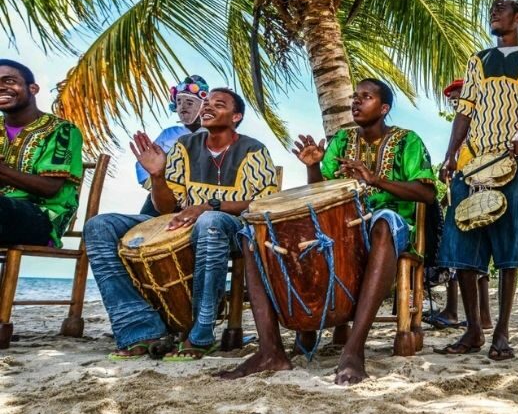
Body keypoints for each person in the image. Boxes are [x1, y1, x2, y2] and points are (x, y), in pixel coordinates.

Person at [221, 79, 436, 384]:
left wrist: (375, 181)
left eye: (366, 97)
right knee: (251, 235)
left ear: (384, 108)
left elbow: (427, 194)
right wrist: (313, 167)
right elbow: (321, 195)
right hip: (339, 230)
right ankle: (271, 351)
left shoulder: (407, 141)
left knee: (384, 220)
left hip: (391, 228)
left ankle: (353, 350)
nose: (356, 102)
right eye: (354, 97)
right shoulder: (341, 140)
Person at [84, 88, 278, 360]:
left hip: (234, 229)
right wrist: (158, 176)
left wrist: (208, 206)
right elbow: (164, 209)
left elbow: (262, 203)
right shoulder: (184, 146)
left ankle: (201, 335)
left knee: (210, 222)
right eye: (206, 103)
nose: (207, 107)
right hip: (183, 224)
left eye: (218, 104)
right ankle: (139, 330)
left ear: (237, 116)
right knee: (99, 226)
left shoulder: (253, 149)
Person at [436, 0, 518, 361]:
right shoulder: (478, 60)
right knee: (464, 246)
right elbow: (465, 110)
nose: (493, 14)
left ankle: (501, 332)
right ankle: (473, 329)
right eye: (491, 9)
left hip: (513, 161)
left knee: (508, 247)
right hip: (471, 162)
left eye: (501, 9)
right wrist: (450, 154)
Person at [425, 79, 493, 331]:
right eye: (452, 99)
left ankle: (456, 311)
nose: (454, 102)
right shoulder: (465, 133)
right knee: (471, 257)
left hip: (476, 191)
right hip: (468, 189)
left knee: (459, 252)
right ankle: (472, 313)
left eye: (458, 97)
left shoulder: (477, 130)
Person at [0, 59, 83, 248]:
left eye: (10, 81)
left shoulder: (62, 131)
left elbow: (50, 187)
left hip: (41, 217)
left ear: (33, 88)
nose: (2, 87)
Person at [136, 76, 207, 216]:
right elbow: (145, 166)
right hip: (164, 196)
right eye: (179, 102)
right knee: (142, 229)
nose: (183, 106)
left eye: (190, 102)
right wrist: (159, 182)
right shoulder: (169, 134)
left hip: (201, 198)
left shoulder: (214, 134)